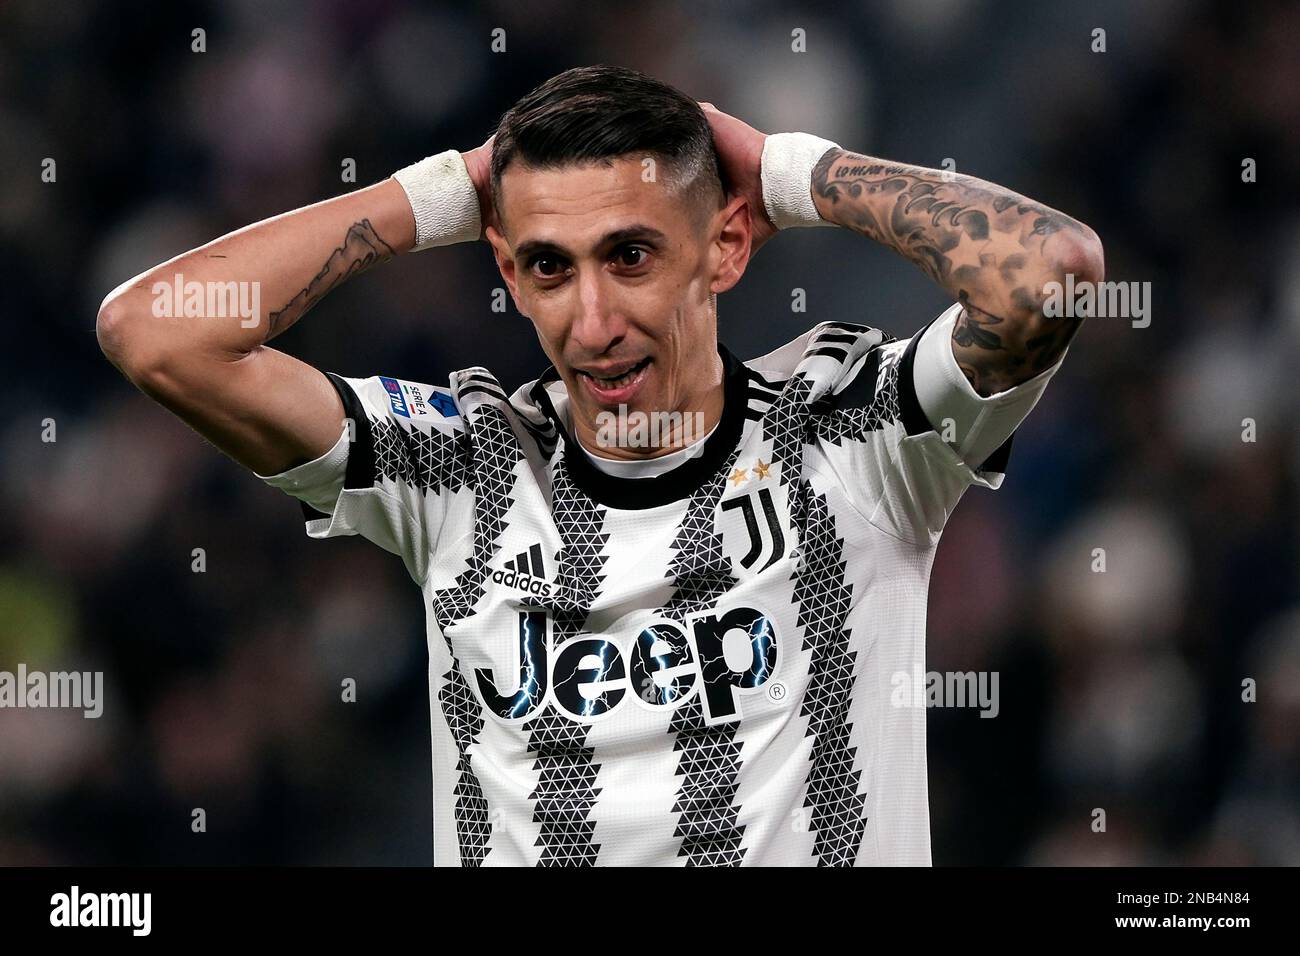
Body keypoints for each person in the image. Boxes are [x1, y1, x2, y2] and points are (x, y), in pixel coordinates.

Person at [96, 64, 1103, 866]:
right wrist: (447, 190)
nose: (590, 321)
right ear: (507, 271)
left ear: (725, 248)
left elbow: (1050, 276)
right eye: (547, 264)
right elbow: (155, 334)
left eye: (629, 255)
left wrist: (787, 169)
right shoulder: (458, 468)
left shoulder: (851, 436)